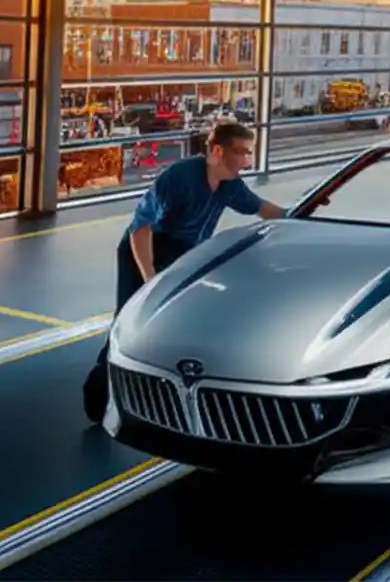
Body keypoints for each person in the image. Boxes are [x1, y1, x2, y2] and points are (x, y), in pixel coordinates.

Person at [82, 122, 286, 424]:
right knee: (129, 320)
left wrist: (303, 214)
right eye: (241, 152)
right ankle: (99, 398)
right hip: (148, 249)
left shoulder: (230, 185)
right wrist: (150, 280)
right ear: (217, 151)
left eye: (250, 153)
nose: (248, 160)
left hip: (185, 253)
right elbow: (141, 228)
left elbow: (263, 209)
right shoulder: (179, 178)